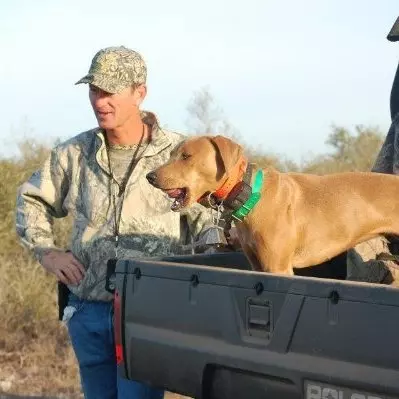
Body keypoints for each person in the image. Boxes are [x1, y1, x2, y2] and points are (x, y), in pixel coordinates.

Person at [15, 46, 220, 399]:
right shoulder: (74, 153)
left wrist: (201, 282)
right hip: (87, 310)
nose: (100, 101)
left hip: (148, 314)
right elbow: (30, 199)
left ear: (140, 92)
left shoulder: (179, 153)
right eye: (94, 90)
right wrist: (47, 253)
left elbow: (209, 222)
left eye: (110, 91)